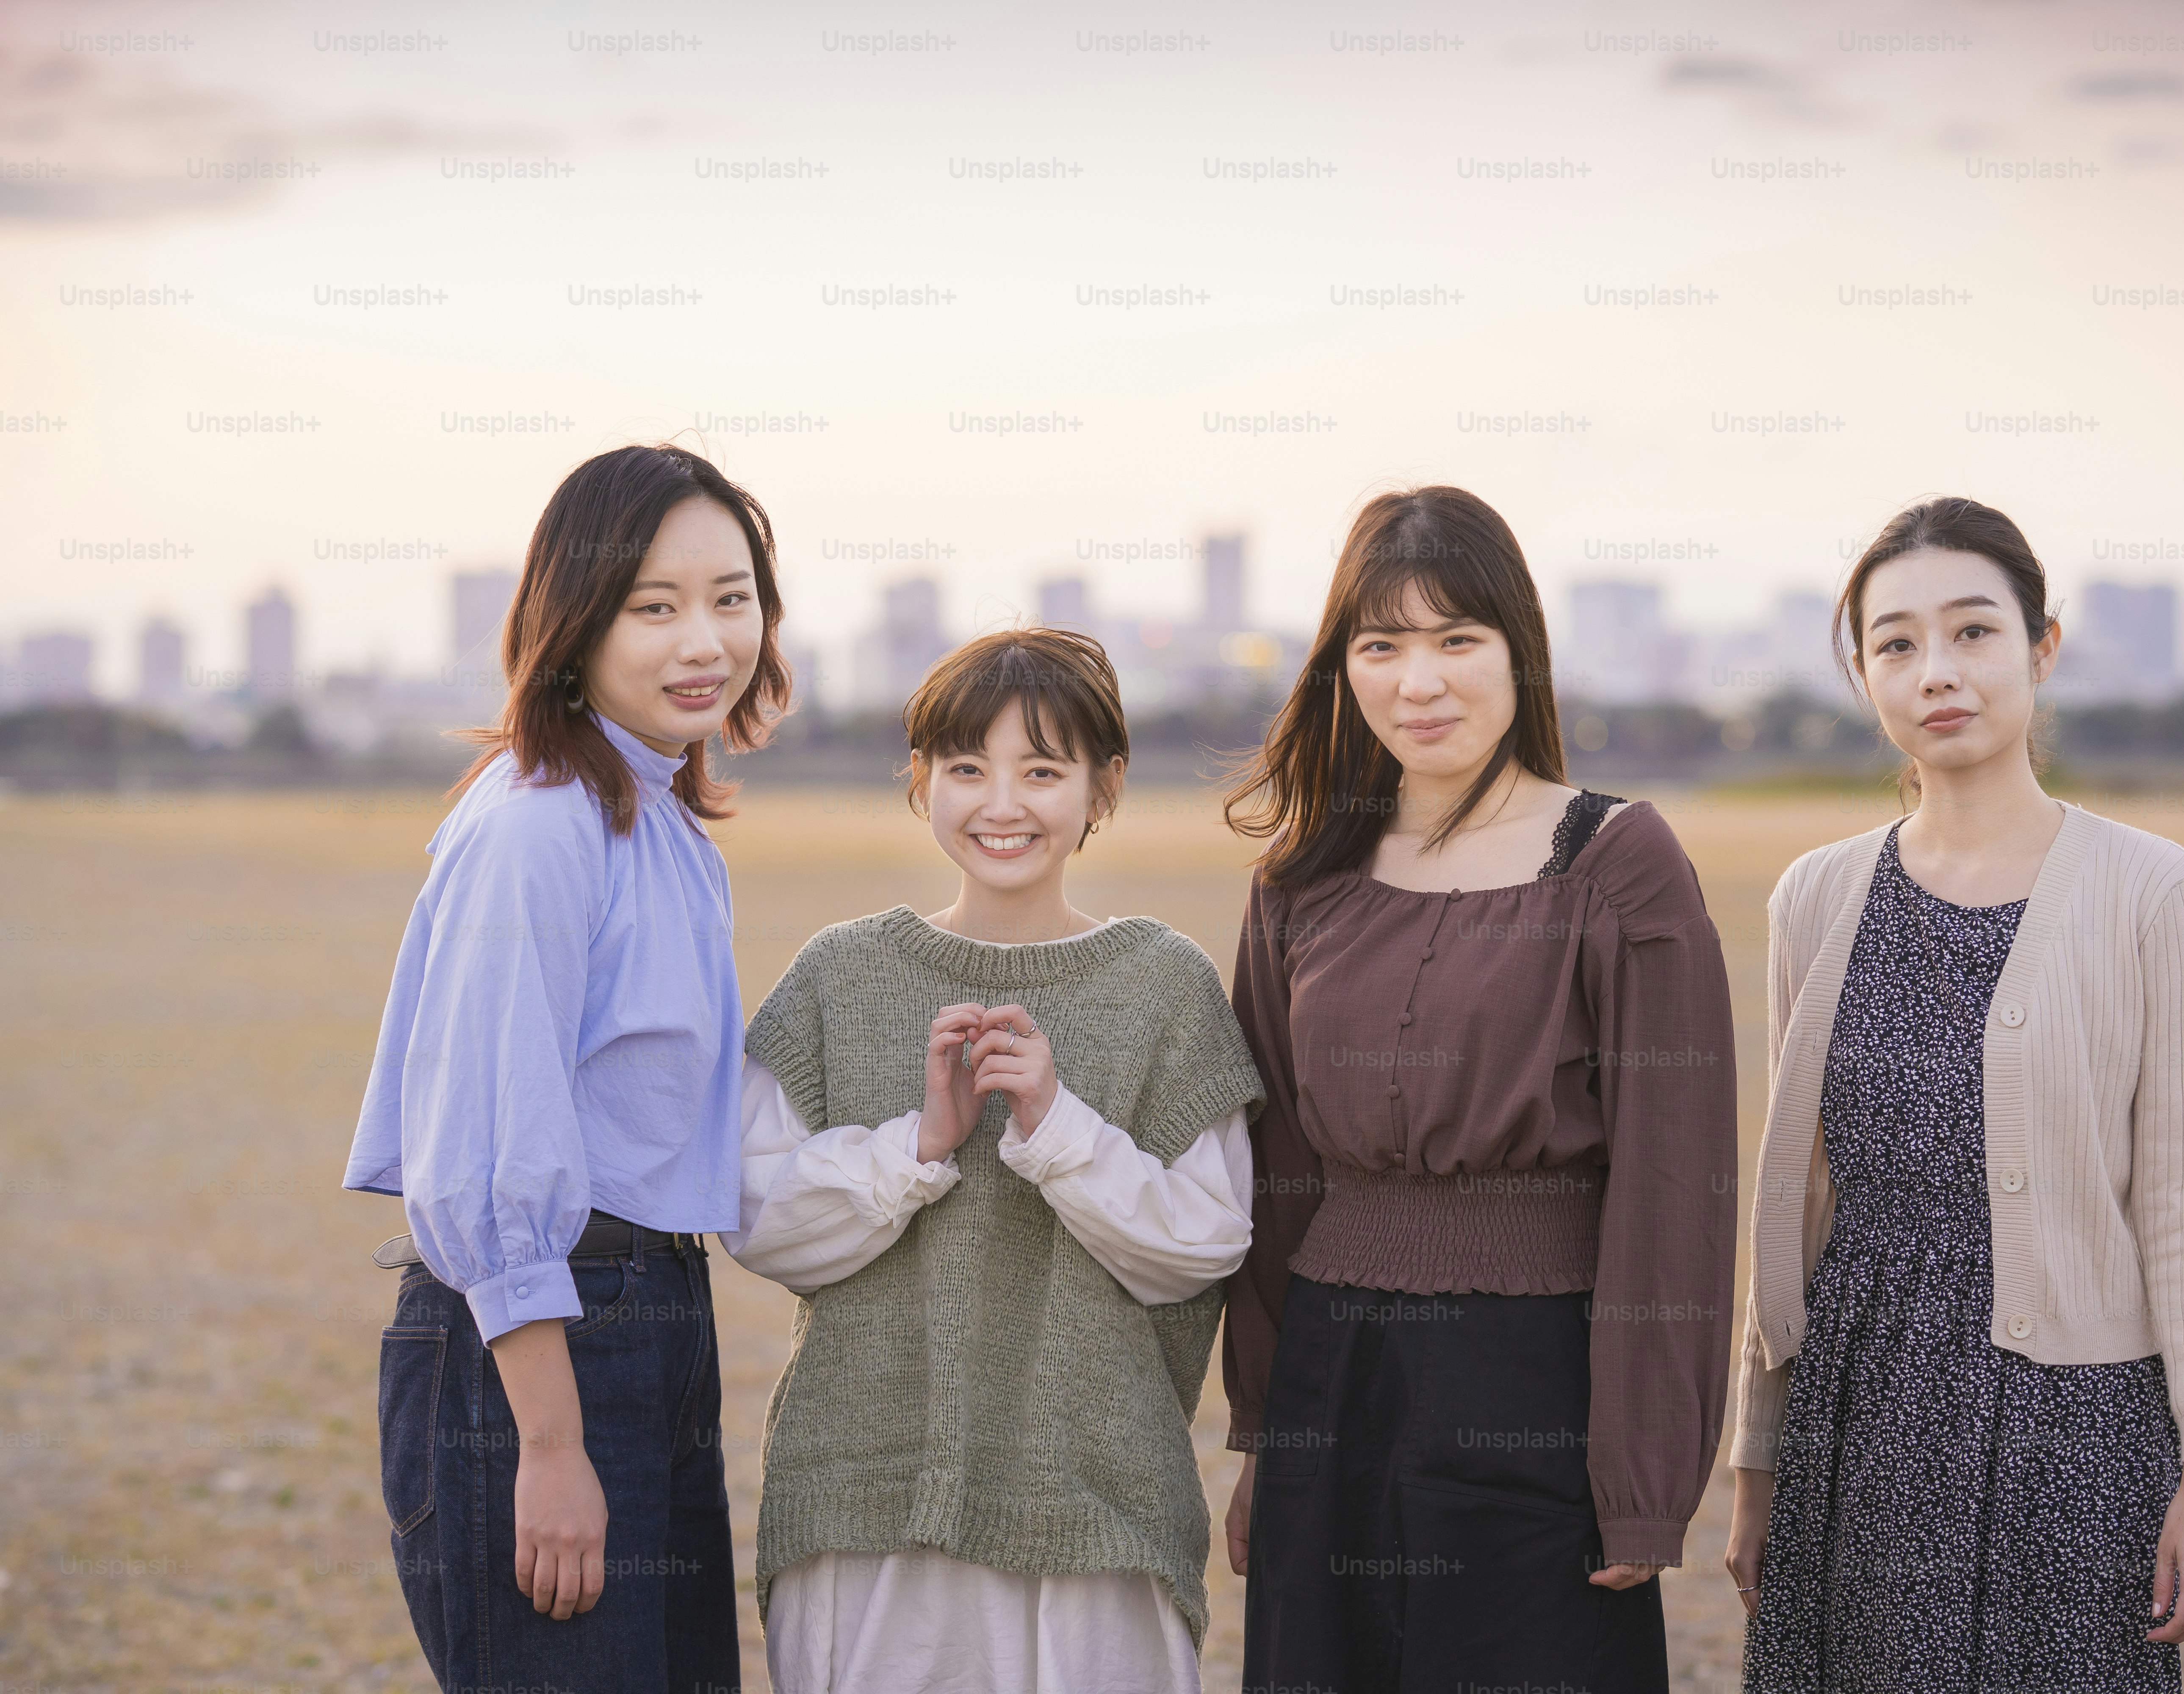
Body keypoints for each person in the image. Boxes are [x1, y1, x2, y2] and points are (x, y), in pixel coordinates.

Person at [1220, 486, 1739, 1690]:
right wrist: (1264, 1436)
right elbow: (1275, 1174)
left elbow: (1673, 1187)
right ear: (1342, 667)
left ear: (1520, 653)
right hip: (1334, 1385)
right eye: (1381, 645)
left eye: (1458, 639)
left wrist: (1643, 1478)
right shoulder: (1300, 878)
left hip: (1539, 1391)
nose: (1421, 682)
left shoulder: (1617, 863)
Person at [1723, 497, 2184, 1691]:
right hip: (1858, 1409)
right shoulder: (1815, 896)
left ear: (2041, 648)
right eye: (1896, 644)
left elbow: (2182, 1202)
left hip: (2079, 1424)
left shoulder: (2150, 889)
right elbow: (1792, 1204)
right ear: (1865, 675)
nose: (1937, 672)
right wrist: (1758, 1462)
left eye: (1973, 631)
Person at [723, 626, 1265, 1694]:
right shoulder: (839, 973)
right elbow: (758, 1218)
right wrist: (918, 1145)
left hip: (1098, 1508)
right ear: (920, 779)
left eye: (1044, 770)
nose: (1002, 803)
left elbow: (1204, 1243)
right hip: (865, 1501)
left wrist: (1057, 1127)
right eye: (967, 767)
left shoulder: (1166, 985)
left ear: (1106, 787)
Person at [345, 443, 792, 1693]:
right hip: (542, 1344)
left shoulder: (658, 815)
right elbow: (484, 1150)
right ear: (576, 621)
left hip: (652, 1315)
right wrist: (548, 1445)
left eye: (733, 598)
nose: (706, 640)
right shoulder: (540, 823)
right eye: (655, 607)